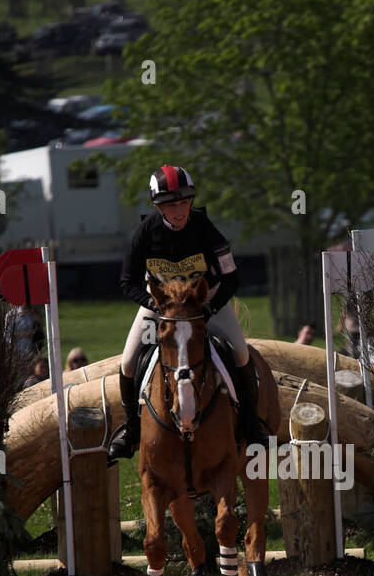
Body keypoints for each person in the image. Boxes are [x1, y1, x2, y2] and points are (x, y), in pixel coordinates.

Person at [108, 163, 269, 459]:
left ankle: (251, 424)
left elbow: (231, 277)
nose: (179, 211)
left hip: (206, 305)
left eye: (184, 202)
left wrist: (212, 308)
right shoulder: (145, 232)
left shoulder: (204, 227)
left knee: (241, 354)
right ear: (158, 207)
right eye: (171, 205)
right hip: (161, 309)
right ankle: (131, 429)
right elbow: (127, 282)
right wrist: (154, 305)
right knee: (129, 362)